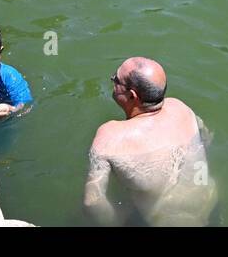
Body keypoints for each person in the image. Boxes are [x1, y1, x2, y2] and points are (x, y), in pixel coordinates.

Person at [83, 57, 216, 226]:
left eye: (115, 80)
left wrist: (119, 220)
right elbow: (206, 139)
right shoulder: (181, 108)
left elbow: (92, 201)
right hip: (210, 205)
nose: (112, 82)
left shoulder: (110, 137)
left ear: (132, 96)